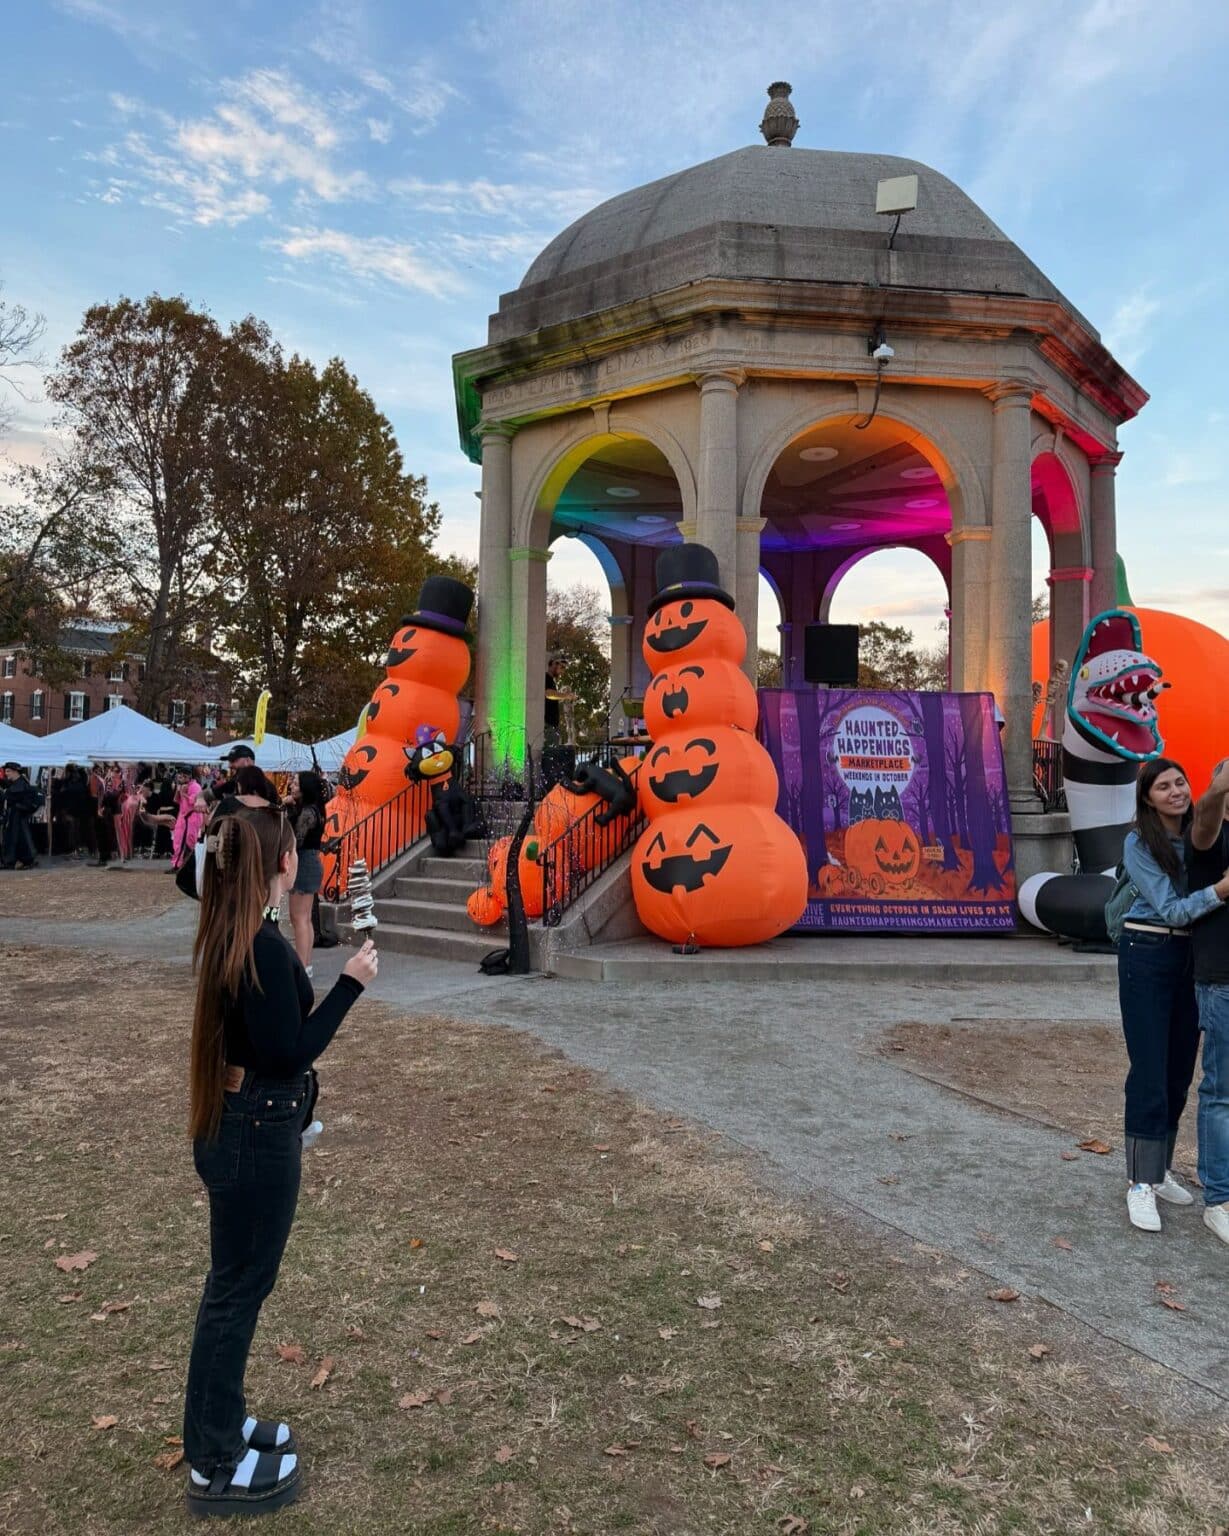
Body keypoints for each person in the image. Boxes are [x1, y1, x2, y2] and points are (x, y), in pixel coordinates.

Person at [183, 807, 377, 1516]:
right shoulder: (256, 947)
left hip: (243, 1127)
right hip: (254, 1132)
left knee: (233, 1288)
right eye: (293, 851)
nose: (300, 859)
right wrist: (351, 982)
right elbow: (289, 1051)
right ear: (283, 864)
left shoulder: (237, 933)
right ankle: (212, 1463)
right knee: (235, 1293)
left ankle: (220, 1426)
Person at [1118, 758, 1229, 1231]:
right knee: (1149, 1066)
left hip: (1194, 960)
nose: (1175, 792)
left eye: (1180, 782)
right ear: (1147, 798)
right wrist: (1221, 891)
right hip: (1147, 949)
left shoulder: (1205, 833)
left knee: (1181, 1065)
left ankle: (1160, 1168)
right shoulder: (1140, 842)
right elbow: (1169, 909)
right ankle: (1139, 1183)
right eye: (1163, 787)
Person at [1187, 757, 1229, 1246]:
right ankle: (1219, 1199)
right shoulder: (1210, 841)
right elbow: (1205, 820)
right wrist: (1218, 788)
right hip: (1222, 982)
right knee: (1221, 1092)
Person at [284, 772, 327, 971]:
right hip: (309, 861)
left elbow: (296, 839)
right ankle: (305, 963)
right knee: (304, 917)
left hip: (304, 862)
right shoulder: (314, 809)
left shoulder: (308, 812)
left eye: (296, 783)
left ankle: (302, 966)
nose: (292, 785)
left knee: (299, 917)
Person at [1, 762, 39, 869]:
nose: (6, 773)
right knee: (13, 838)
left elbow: (26, 803)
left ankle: (24, 860)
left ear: (15, 772)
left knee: (20, 838)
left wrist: (17, 806)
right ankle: (12, 860)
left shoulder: (21, 785)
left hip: (18, 816)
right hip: (14, 816)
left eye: (8, 771)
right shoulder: (16, 783)